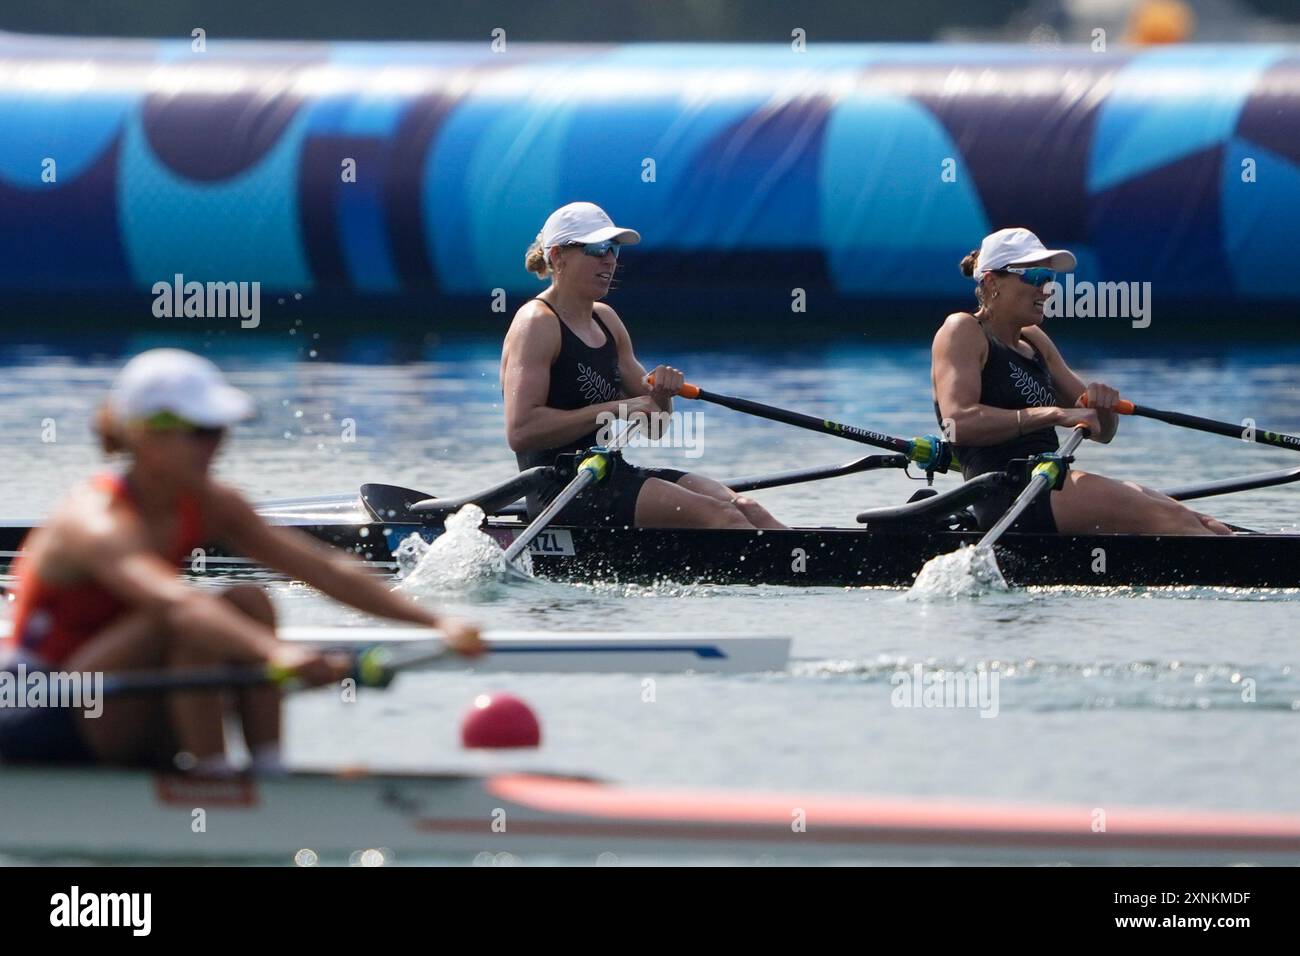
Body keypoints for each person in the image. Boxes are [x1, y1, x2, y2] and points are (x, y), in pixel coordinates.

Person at [0, 349, 483, 770]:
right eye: (200, 431)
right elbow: (175, 606)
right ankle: (215, 785)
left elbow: (322, 568)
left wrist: (437, 622)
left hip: (113, 697)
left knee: (249, 600)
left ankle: (264, 774)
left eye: (219, 431)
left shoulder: (211, 503)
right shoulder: (98, 518)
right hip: (37, 707)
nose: (216, 445)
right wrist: (275, 654)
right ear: (146, 434)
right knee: (194, 619)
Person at [501, 201, 784, 529]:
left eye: (614, 250)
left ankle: (809, 565)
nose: (609, 259)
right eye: (596, 248)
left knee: (744, 506)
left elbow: (655, 425)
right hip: (560, 492)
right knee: (721, 517)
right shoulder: (536, 323)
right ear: (557, 257)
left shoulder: (606, 319)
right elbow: (521, 431)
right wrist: (621, 407)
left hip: (607, 473)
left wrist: (663, 394)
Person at [932, 227, 1229, 535]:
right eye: (1034, 276)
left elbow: (1103, 432)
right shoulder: (963, 330)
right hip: (1008, 496)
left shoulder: (1034, 341)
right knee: (1172, 521)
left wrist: (1102, 406)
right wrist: (1057, 414)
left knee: (1203, 523)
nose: (1045, 289)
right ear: (993, 282)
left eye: (1049, 279)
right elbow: (960, 422)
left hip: (1049, 483)